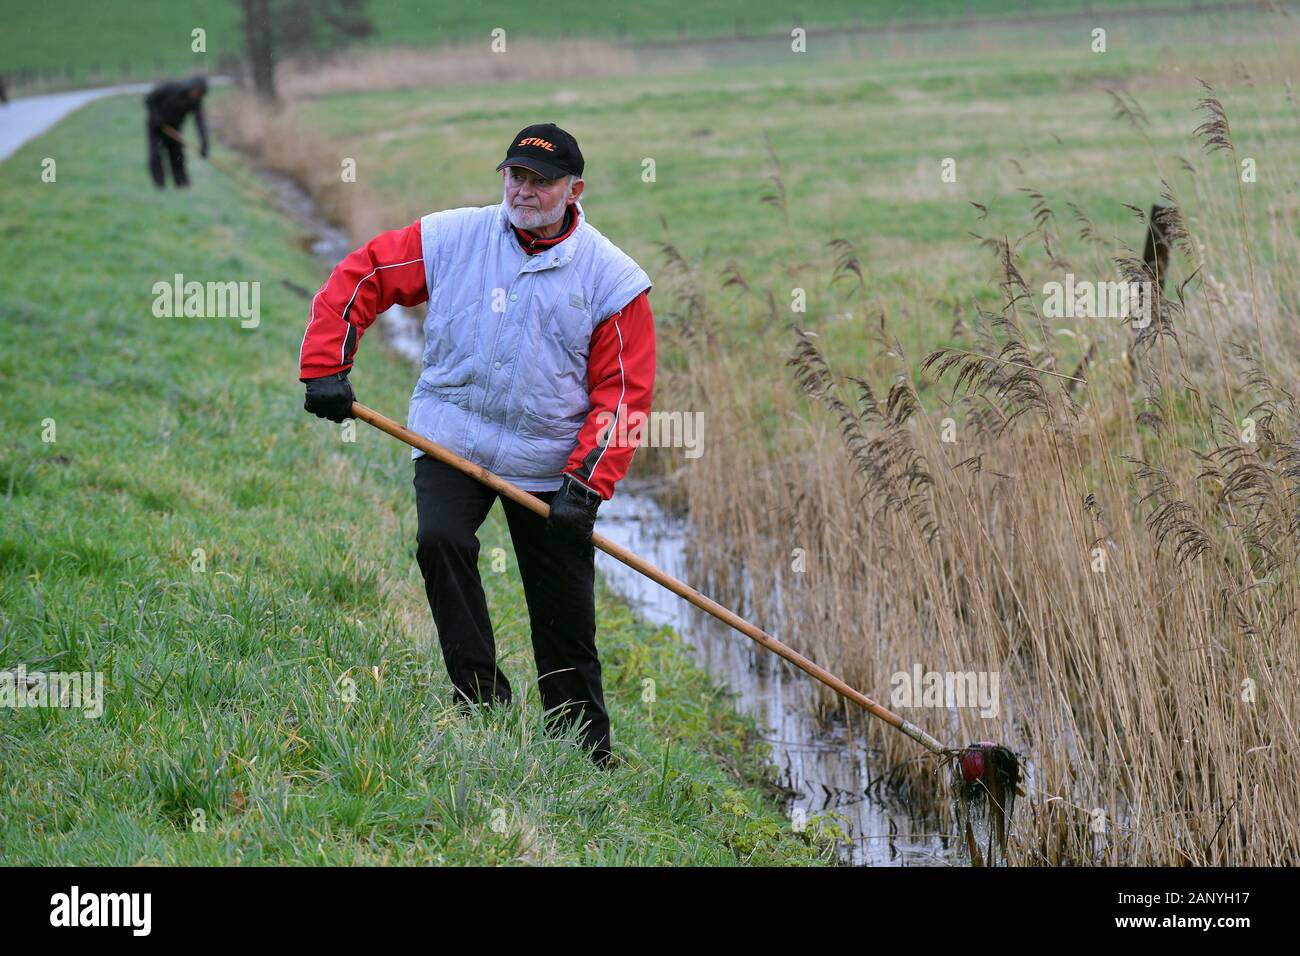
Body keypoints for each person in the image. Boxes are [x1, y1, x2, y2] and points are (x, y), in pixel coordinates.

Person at [298, 123, 655, 768]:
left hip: (550, 464)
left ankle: (582, 754)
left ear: (575, 190)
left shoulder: (613, 280)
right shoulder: (451, 238)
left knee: (563, 615)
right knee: (441, 542)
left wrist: (588, 482)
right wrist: (326, 366)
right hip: (451, 434)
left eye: (541, 182)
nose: (524, 190)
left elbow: (624, 395)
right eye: (515, 175)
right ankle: (480, 703)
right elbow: (364, 276)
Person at [144, 74, 209, 188]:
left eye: (200, 93)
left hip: (175, 129)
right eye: (196, 91)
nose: (197, 95)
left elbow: (200, 123)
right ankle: (159, 184)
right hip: (157, 127)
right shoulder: (171, 88)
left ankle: (181, 184)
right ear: (191, 87)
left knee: (177, 156)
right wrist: (156, 117)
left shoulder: (196, 102)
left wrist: (204, 144)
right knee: (156, 154)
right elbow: (149, 100)